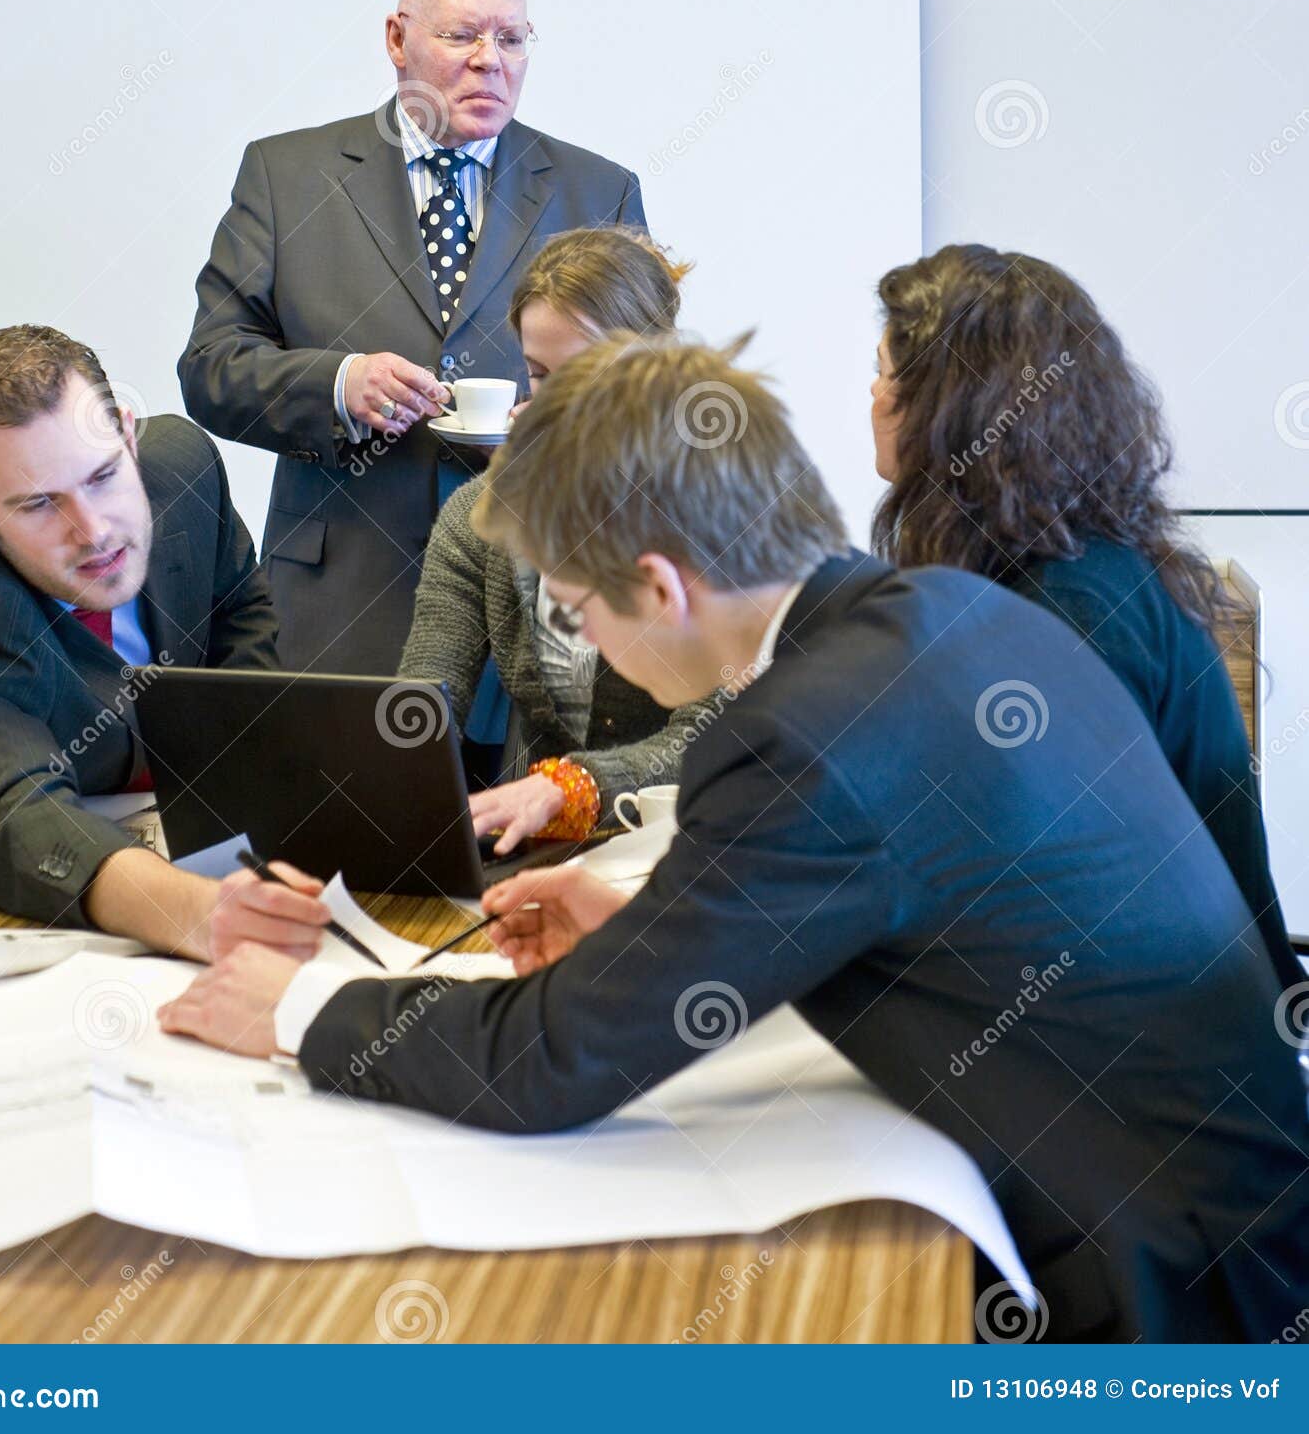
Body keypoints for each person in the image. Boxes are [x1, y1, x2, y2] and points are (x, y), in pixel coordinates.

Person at [162, 335, 1309, 1344]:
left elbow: (552, 1063)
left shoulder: (806, 732)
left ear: (658, 586)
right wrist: (666, 929)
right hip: (1234, 1207)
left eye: (575, 607)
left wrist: (297, 1006)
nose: (590, 641)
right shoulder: (950, 610)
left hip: (1170, 1313)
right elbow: (916, 910)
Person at [179, 0, 647, 675]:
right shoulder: (287, 176)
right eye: (462, 35)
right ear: (397, 39)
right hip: (340, 613)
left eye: (513, 38)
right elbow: (210, 368)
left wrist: (565, 429)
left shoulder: (598, 192)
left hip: (539, 613)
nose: (490, 59)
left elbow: (648, 398)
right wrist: (338, 385)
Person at [0, 326, 331, 962]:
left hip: (146, 824)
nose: (92, 531)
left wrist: (234, 774)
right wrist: (200, 915)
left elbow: (237, 612)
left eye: (104, 475)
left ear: (128, 436)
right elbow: (12, 816)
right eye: (38, 504)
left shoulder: (186, 469)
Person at [867, 242, 1302, 991]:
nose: (871, 398)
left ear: (952, 407)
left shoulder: (1077, 607)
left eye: (883, 373)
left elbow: (1033, 890)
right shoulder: (1048, 573)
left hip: (1174, 1045)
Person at [399, 226, 717, 854]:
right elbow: (426, 698)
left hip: (706, 854)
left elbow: (725, 730)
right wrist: (385, 770)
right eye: (543, 375)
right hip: (549, 855)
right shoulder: (480, 517)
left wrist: (571, 787)